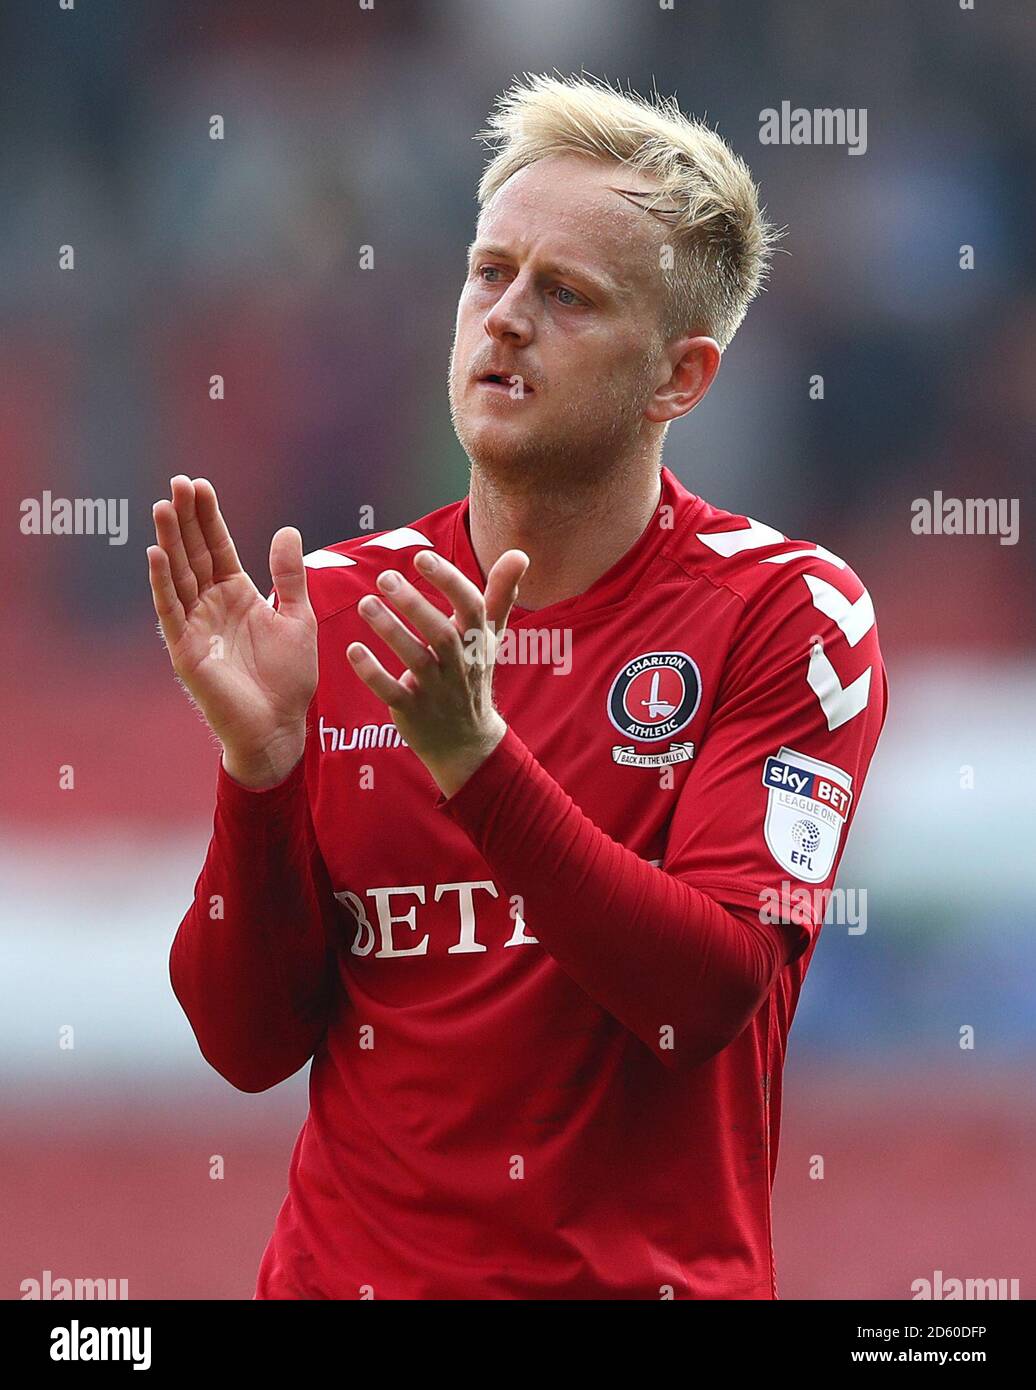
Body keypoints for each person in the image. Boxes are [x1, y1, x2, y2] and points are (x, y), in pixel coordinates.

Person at [147, 73, 887, 1300]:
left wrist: (477, 765)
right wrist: (261, 774)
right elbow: (243, 1044)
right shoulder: (332, 609)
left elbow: (702, 995)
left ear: (680, 377)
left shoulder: (784, 614)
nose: (503, 320)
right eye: (489, 274)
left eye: (565, 295)